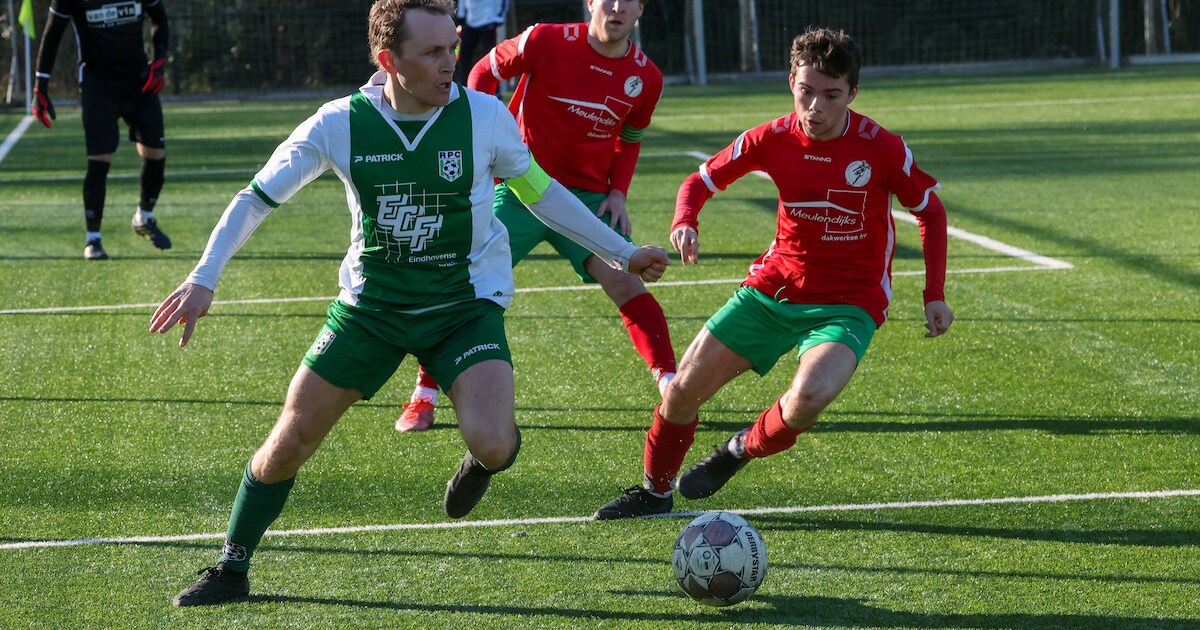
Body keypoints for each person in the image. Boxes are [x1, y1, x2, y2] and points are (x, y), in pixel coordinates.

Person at [152, 0, 668, 606]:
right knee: (290, 439)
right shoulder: (338, 123)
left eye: (452, 47)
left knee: (494, 443)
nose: (451, 61)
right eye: (433, 52)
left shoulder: (485, 117)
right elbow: (257, 197)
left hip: (462, 307)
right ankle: (231, 568)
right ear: (387, 60)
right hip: (370, 311)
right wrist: (204, 277)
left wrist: (620, 252)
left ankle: (484, 456)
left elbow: (542, 194)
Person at [593, 27, 955, 520]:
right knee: (680, 393)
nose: (816, 107)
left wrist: (933, 293)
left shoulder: (882, 148)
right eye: (806, 92)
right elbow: (698, 182)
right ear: (791, 83)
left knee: (807, 398)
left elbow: (930, 213)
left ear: (853, 93)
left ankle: (738, 450)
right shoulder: (772, 137)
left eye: (831, 95)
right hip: (773, 290)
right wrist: (685, 221)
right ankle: (655, 492)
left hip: (849, 304)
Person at [395, 0, 674, 433]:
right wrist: (486, 138)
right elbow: (482, 72)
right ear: (589, 2)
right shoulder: (545, 39)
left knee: (625, 281)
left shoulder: (647, 78)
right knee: (465, 284)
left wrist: (618, 193)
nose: (617, 7)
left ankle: (671, 383)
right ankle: (423, 396)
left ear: (642, 7)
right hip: (521, 185)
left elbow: (630, 139)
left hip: (586, 198)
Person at [31, 0, 172, 260]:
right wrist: (41, 85)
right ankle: (92, 239)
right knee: (99, 159)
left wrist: (159, 59)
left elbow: (160, 20)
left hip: (139, 79)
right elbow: (52, 34)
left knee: (156, 152)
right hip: (98, 85)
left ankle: (144, 216)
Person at [452, 0, 507, 87]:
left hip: (489, 21)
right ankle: (464, 87)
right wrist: (461, 16)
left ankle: (495, 89)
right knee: (464, 58)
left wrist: (499, 18)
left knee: (491, 59)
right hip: (470, 22)